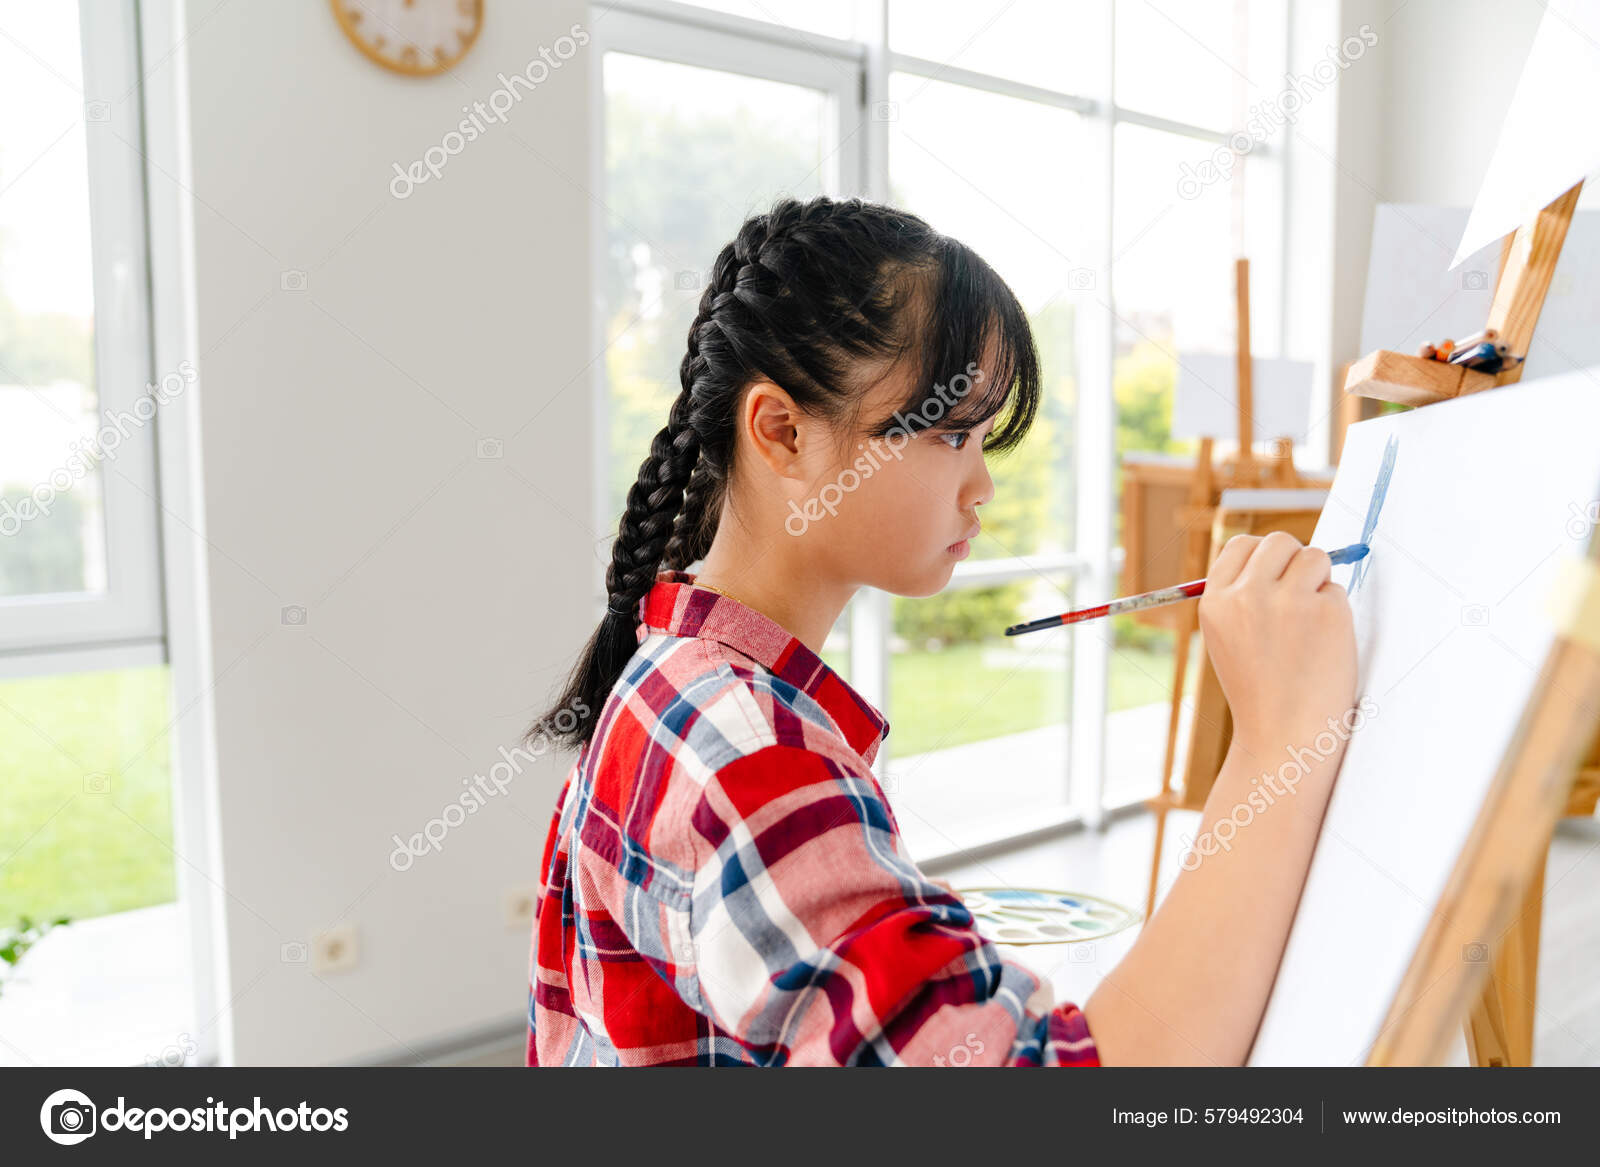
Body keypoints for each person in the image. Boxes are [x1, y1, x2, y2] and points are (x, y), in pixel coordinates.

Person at [524, 195, 1356, 1066]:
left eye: (984, 437)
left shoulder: (678, 680)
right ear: (783, 432)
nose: (983, 486)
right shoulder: (749, 758)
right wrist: (1277, 741)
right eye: (954, 433)